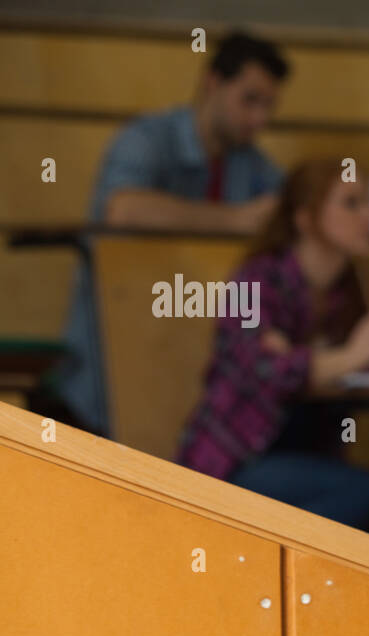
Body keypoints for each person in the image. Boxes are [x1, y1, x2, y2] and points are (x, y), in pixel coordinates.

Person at [175, 158, 369, 554]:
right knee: (363, 497)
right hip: (238, 461)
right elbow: (265, 371)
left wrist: (305, 360)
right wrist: (348, 357)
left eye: (368, 202)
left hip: (313, 460)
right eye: (351, 203)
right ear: (306, 218)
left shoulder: (356, 286)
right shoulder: (256, 279)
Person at [47, 31, 289, 437]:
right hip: (109, 372)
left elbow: (287, 217)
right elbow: (123, 211)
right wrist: (235, 220)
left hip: (189, 364)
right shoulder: (145, 139)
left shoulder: (255, 164)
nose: (259, 119)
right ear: (212, 82)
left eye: (269, 107)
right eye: (250, 100)